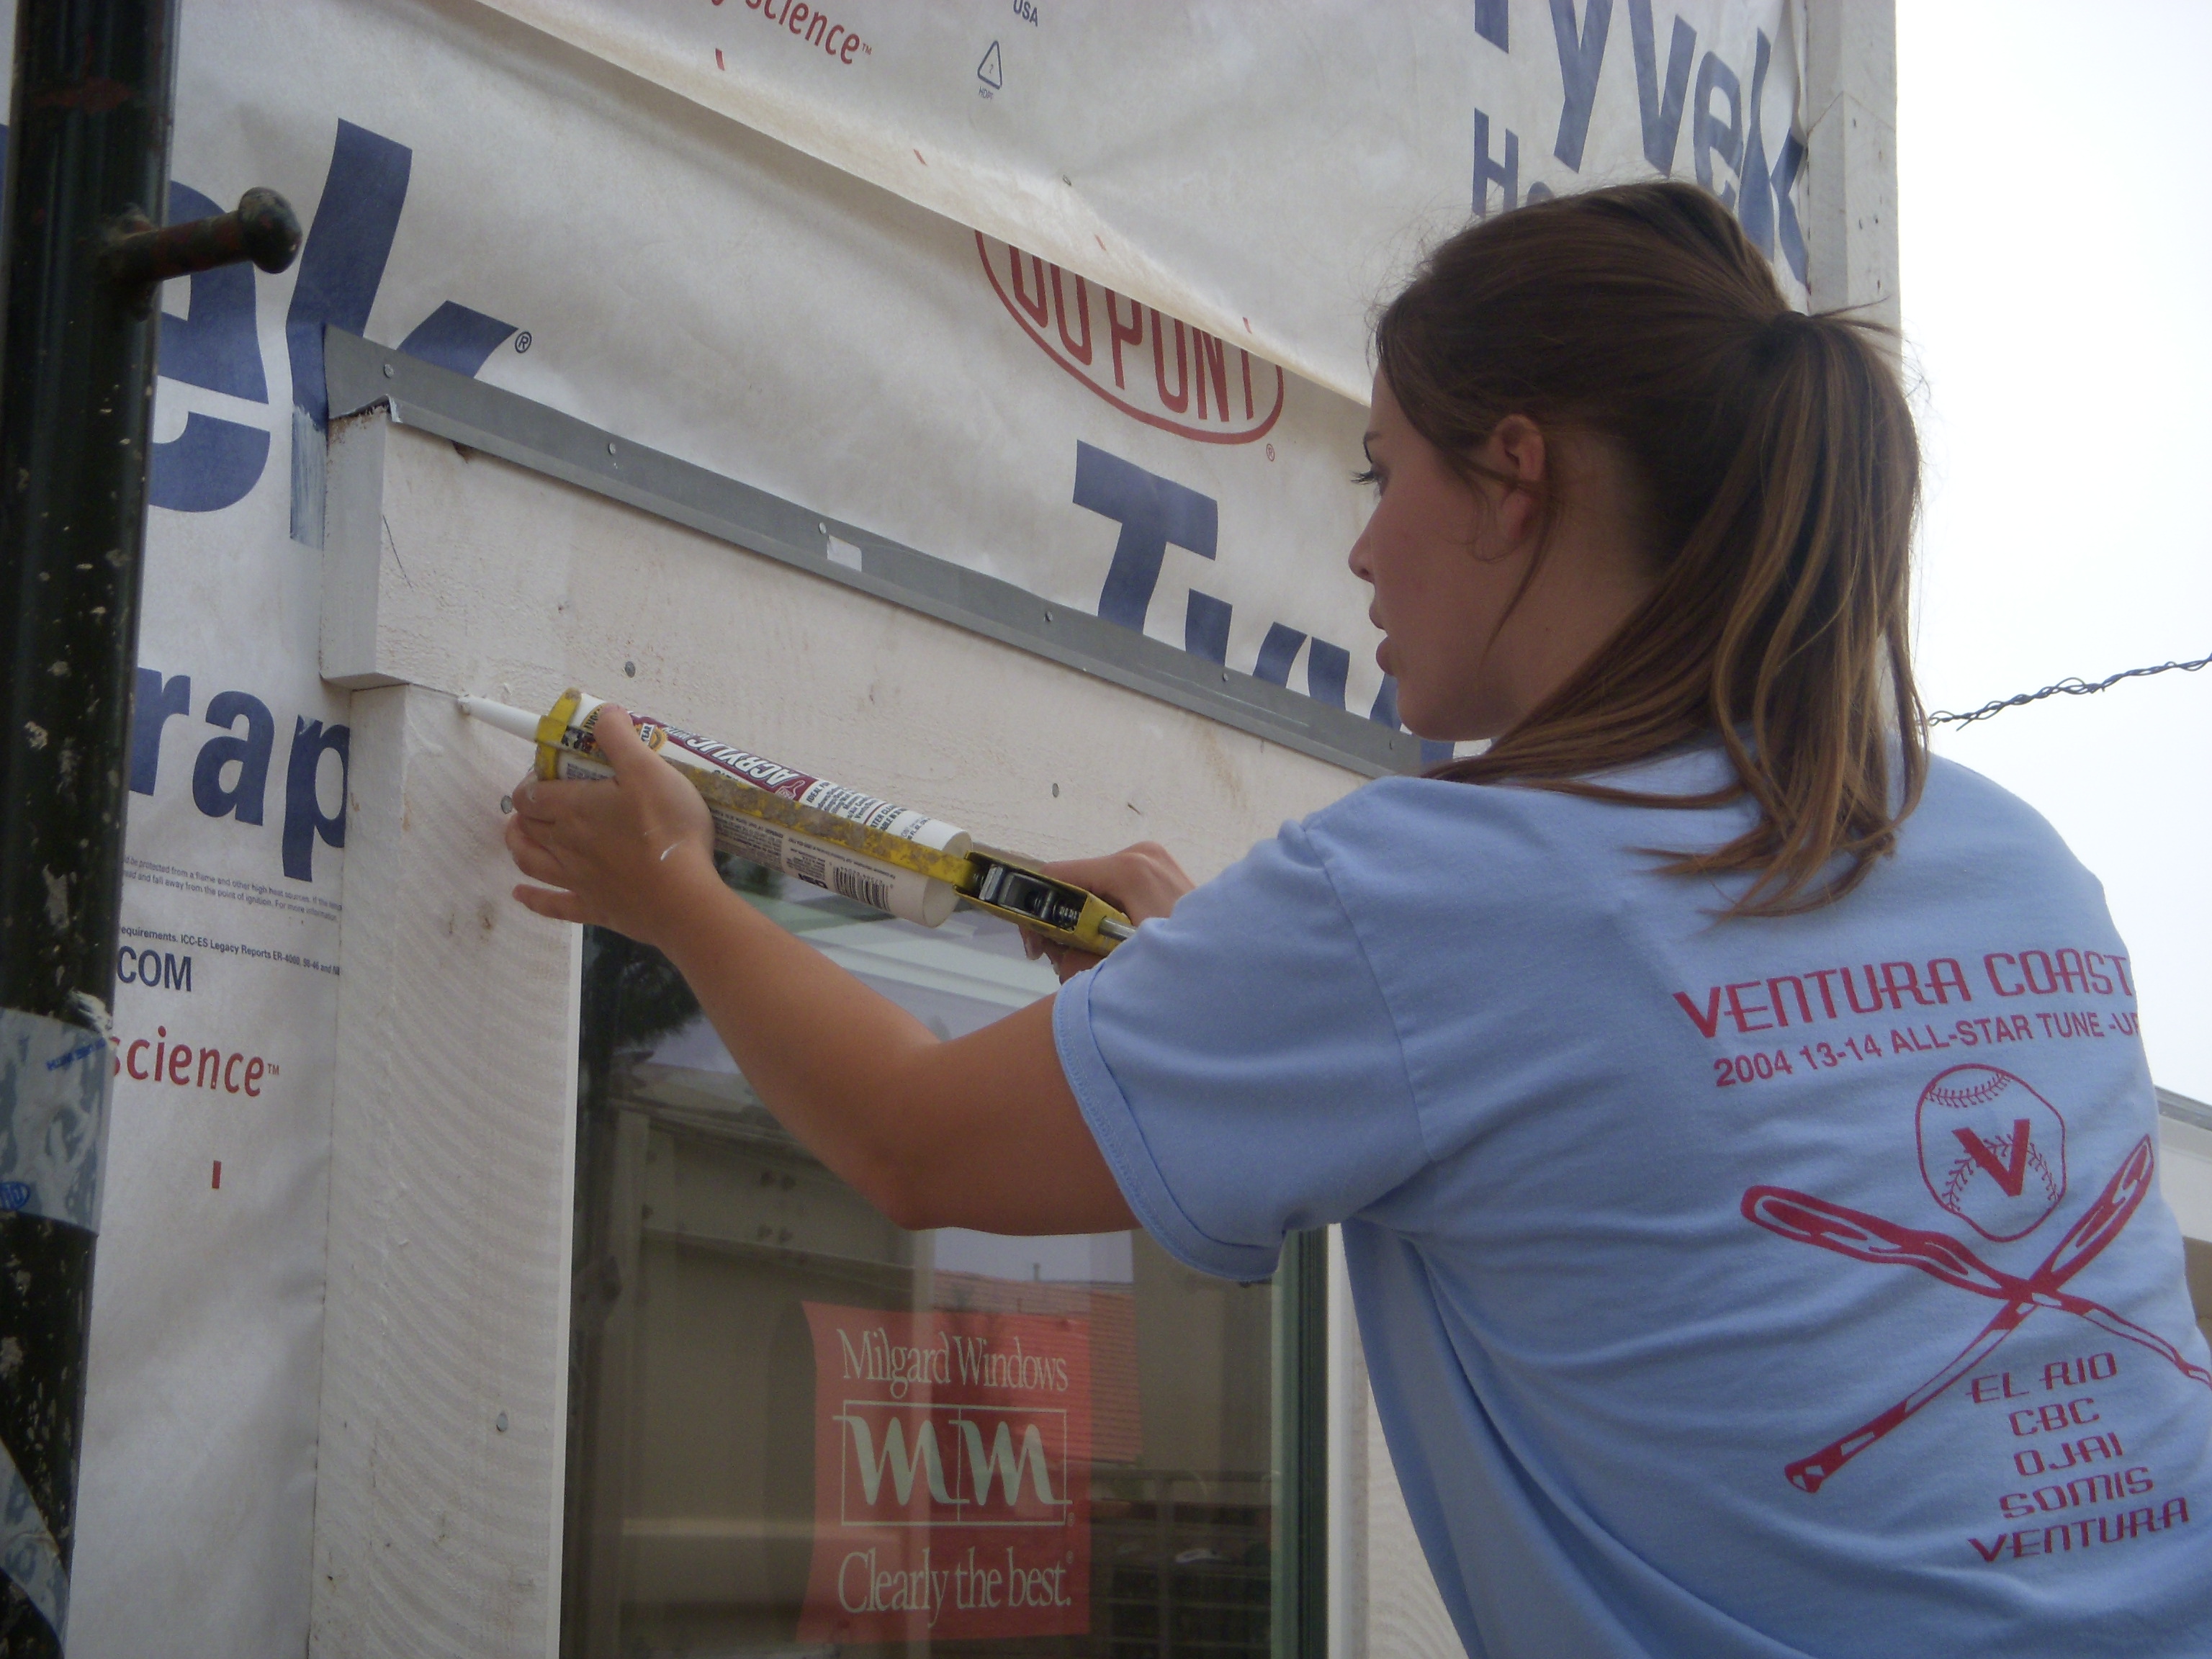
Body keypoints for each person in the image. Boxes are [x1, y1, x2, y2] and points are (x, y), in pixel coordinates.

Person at [501, 181, 2212, 1656]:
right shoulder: (2015, 854)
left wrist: (671, 887)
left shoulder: (1440, 891)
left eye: (1382, 474)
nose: (1366, 554)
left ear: (1514, 481)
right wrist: (1203, 984)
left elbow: (914, 1143)